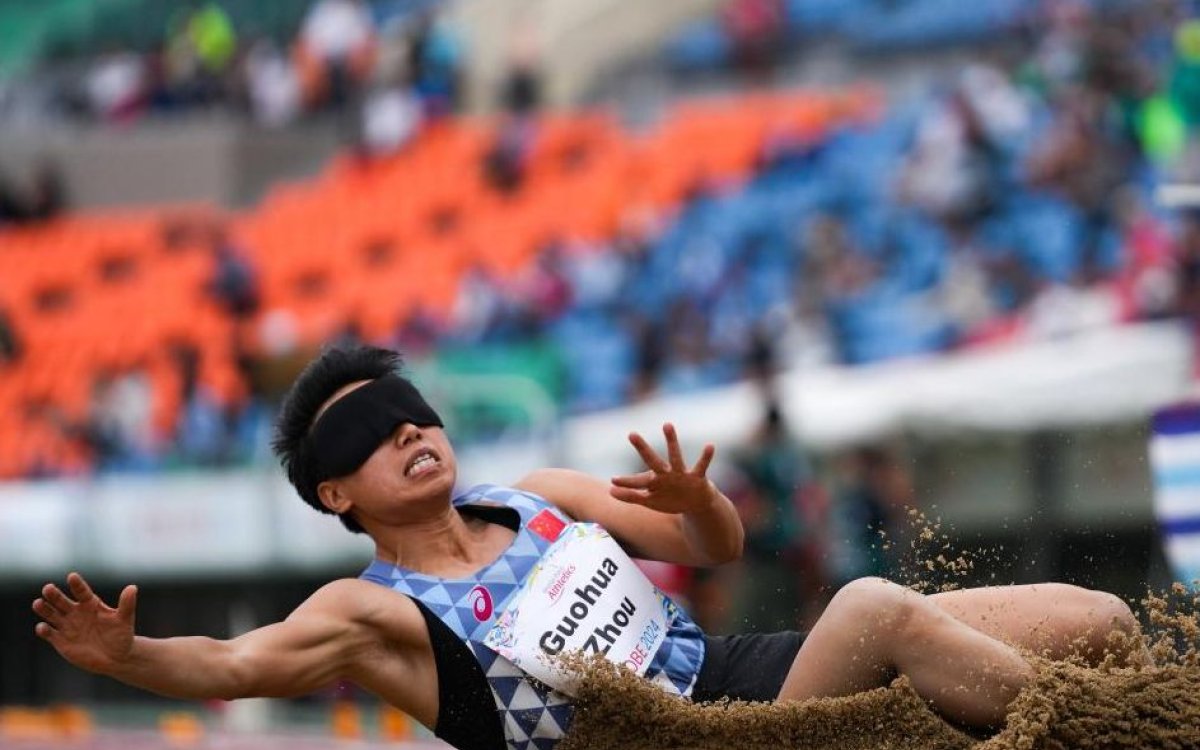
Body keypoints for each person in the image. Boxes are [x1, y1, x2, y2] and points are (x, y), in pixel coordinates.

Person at [34, 345, 1148, 750]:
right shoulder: (374, 611)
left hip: (737, 680)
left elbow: (713, 544)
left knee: (1089, 621)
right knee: (875, 608)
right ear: (337, 493)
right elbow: (232, 669)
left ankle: (1141, 708)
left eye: (414, 410)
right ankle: (1108, 742)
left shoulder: (539, 498)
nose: (411, 432)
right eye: (373, 435)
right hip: (669, 748)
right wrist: (126, 659)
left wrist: (696, 505)